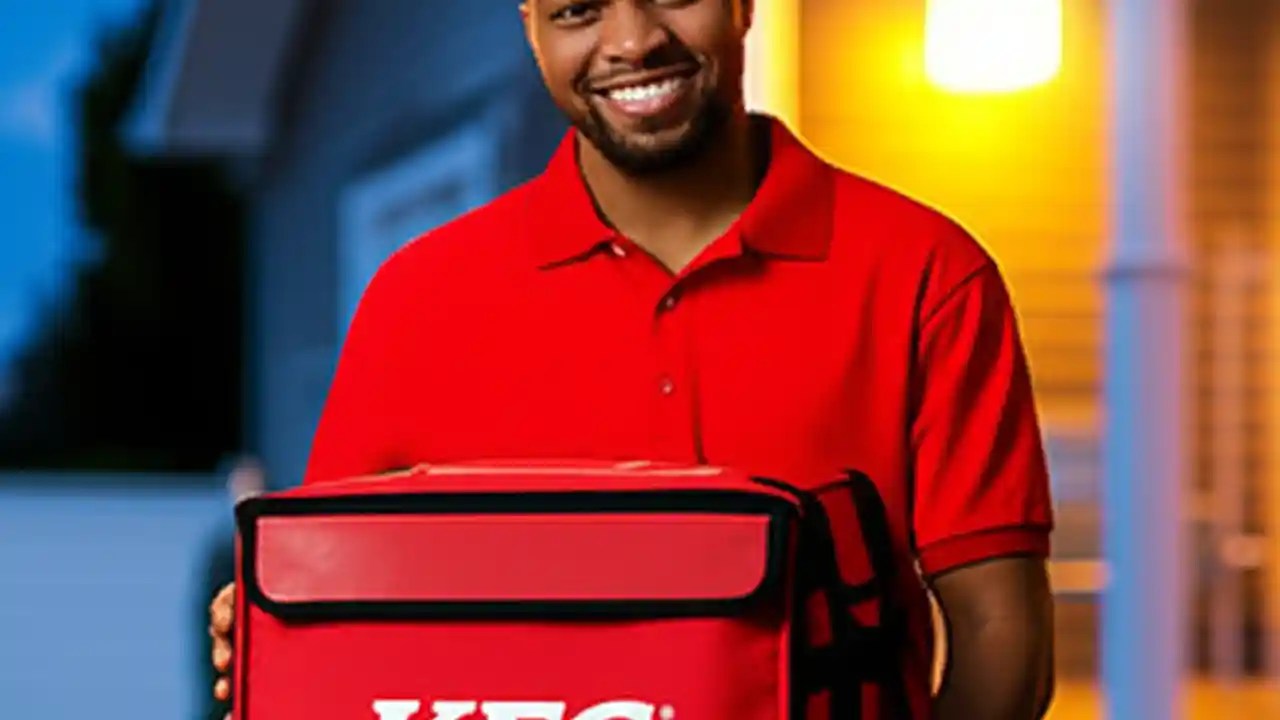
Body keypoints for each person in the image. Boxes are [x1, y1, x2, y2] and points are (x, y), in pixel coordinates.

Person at [209, 0, 1056, 717]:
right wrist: (259, 624)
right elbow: (336, 606)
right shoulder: (419, 298)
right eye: (579, 9)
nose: (631, 41)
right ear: (532, 28)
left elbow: (997, 636)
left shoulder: (925, 273)